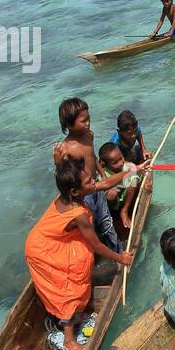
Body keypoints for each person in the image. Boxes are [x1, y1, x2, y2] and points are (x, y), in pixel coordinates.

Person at [25, 157, 135, 350]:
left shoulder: (71, 196)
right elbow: (97, 246)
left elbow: (105, 183)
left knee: (82, 261)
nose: (94, 182)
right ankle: (69, 340)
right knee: (73, 283)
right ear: (75, 191)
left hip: (50, 241)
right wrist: (121, 258)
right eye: (89, 182)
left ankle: (73, 313)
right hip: (42, 249)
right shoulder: (78, 214)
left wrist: (131, 171)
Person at [52, 98, 146, 252]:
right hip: (82, 195)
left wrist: (103, 174)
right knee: (90, 225)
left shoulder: (89, 135)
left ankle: (116, 249)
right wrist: (58, 163)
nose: (88, 123)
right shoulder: (66, 149)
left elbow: (92, 157)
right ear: (68, 124)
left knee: (105, 220)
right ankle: (95, 251)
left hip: (96, 185)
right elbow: (64, 177)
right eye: (83, 121)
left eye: (88, 118)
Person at [98, 141, 143, 233]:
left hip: (125, 199)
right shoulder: (103, 174)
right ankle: (112, 215)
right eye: (115, 162)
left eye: (121, 158)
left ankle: (124, 210)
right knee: (111, 194)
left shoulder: (127, 166)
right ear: (105, 164)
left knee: (134, 179)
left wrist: (146, 185)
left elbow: (140, 175)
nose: (120, 163)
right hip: (113, 203)